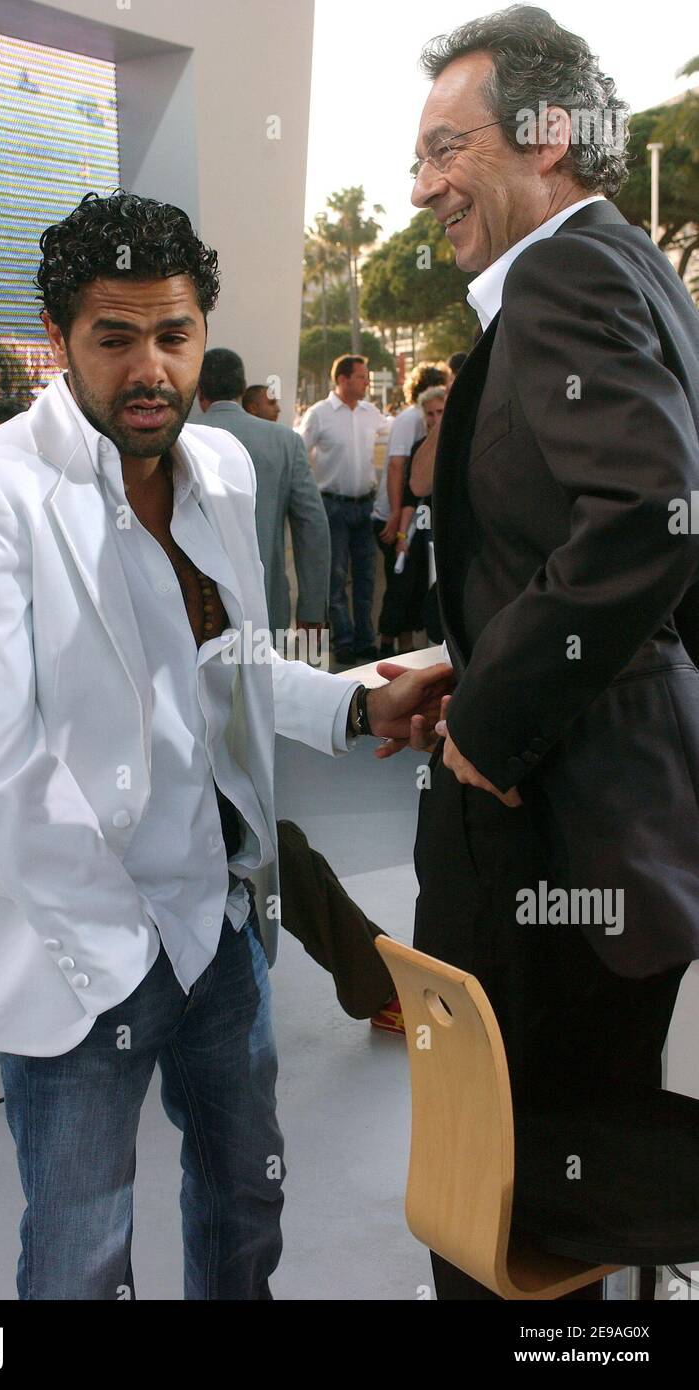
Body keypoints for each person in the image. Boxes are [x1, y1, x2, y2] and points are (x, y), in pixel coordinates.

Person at [0, 189, 455, 1300]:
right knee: (80, 1251)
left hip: (223, 922)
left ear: (203, 336)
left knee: (244, 1202)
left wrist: (360, 707)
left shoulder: (216, 470)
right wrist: (126, 956)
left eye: (173, 335)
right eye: (113, 338)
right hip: (83, 951)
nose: (149, 368)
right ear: (58, 341)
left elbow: (227, 663)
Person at [407, 5, 699, 1300]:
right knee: (553, 1181)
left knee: (509, 1196)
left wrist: (487, 723)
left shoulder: (569, 273)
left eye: (441, 149)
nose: (420, 188)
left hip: (561, 832)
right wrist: (475, 665)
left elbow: (644, 508)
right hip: (609, 820)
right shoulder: (628, 270)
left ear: (548, 140)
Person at [198, 348, 330, 641]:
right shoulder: (285, 441)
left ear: (198, 389)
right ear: (242, 389)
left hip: (194, 612)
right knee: (269, 684)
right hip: (266, 605)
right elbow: (312, 525)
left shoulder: (178, 440)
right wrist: (311, 607)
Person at [298, 355, 386, 664]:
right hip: (332, 506)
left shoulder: (371, 413)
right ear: (343, 380)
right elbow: (300, 452)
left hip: (366, 505)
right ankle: (344, 639)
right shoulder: (319, 414)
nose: (366, 383)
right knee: (335, 577)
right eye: (362, 377)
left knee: (365, 578)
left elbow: (388, 446)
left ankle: (365, 639)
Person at [372, 364, 448, 658]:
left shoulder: (456, 443)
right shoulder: (419, 446)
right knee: (402, 588)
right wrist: (403, 534)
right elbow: (409, 495)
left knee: (423, 593)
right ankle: (388, 647)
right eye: (430, 413)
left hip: (440, 531)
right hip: (417, 529)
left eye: (441, 412)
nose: (435, 418)